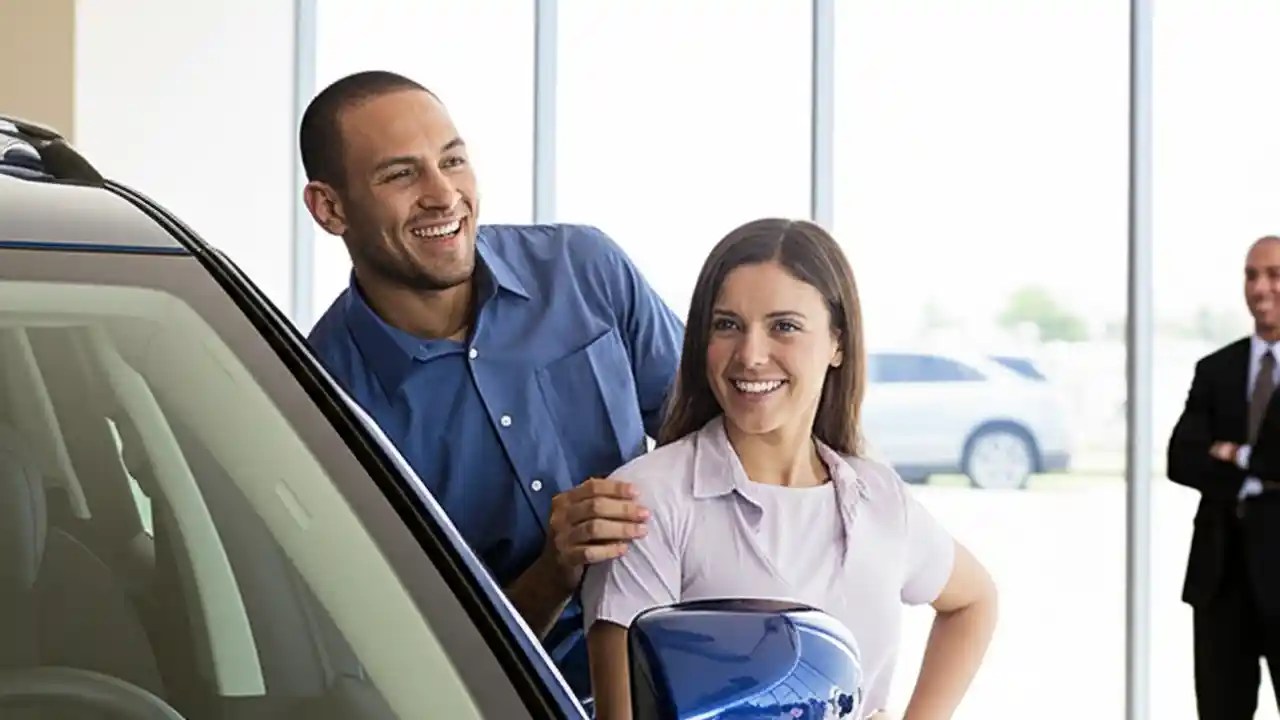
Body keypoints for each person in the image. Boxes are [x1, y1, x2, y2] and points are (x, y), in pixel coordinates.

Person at [297, 70, 683, 696]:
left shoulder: (585, 270)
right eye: (401, 174)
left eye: (453, 161)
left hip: (675, 675)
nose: (443, 195)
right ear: (330, 208)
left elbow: (721, 445)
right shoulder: (323, 406)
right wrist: (554, 571)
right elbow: (412, 665)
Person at [581, 218, 998, 719]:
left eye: (784, 326)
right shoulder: (646, 501)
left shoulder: (878, 496)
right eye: (727, 325)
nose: (751, 355)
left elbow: (973, 601)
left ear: (838, 343)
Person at [1168, 235, 1280, 719]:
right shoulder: (1216, 369)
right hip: (1221, 580)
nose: (1260, 287)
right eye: (1251, 275)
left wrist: (1232, 453)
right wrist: (1259, 466)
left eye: (1274, 274)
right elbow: (1181, 459)